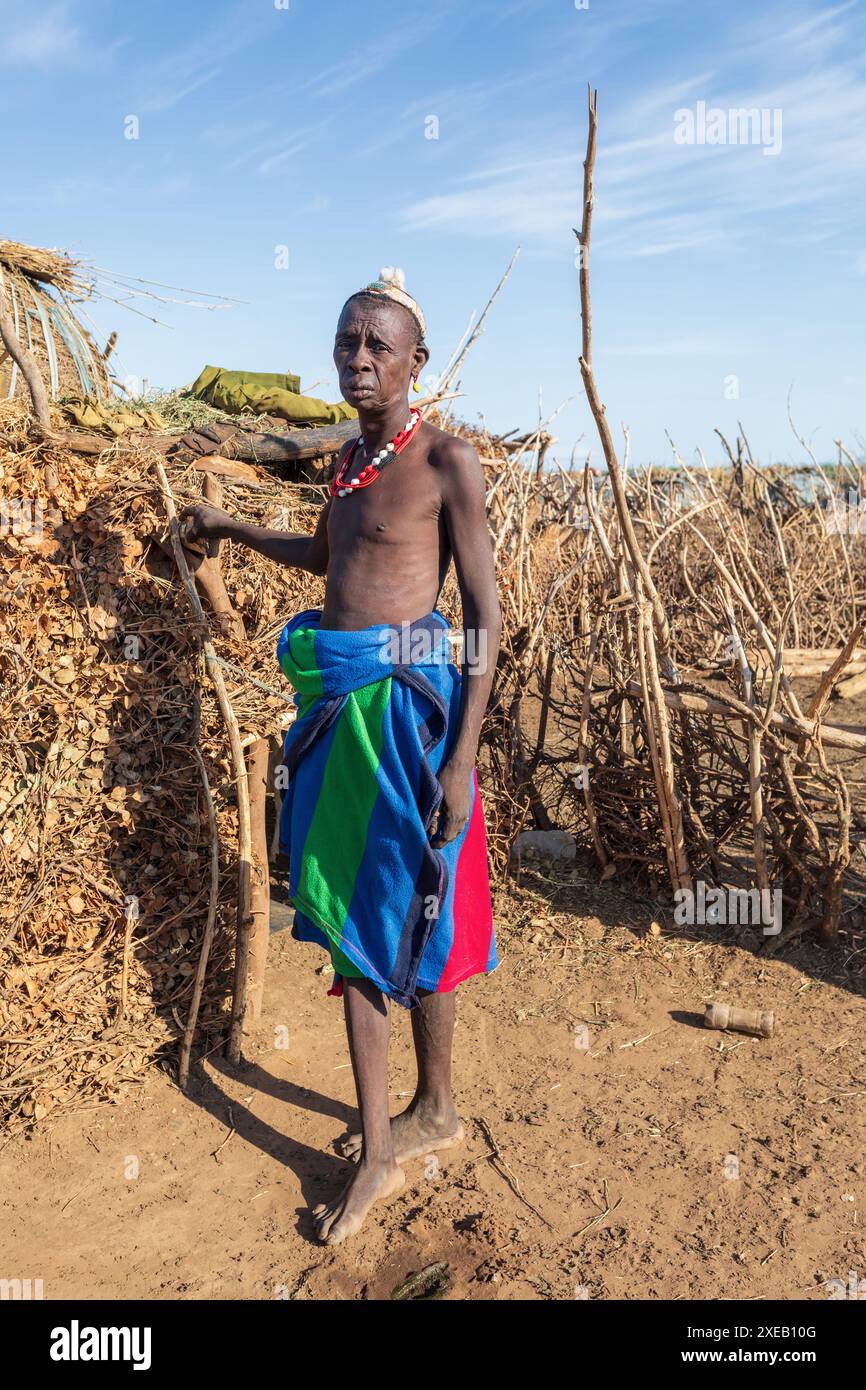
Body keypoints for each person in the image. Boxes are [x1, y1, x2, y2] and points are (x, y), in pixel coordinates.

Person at [180, 268, 501, 1244]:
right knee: (377, 920)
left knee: (404, 921)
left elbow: (487, 621)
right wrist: (232, 528)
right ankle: (412, 1118)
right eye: (345, 343)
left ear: (415, 361)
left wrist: (459, 758)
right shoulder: (350, 467)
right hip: (336, 709)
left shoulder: (446, 463)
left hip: (404, 717)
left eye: (377, 346)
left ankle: (386, 1149)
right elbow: (329, 562)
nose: (357, 360)